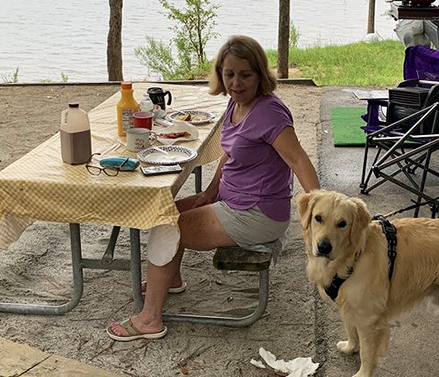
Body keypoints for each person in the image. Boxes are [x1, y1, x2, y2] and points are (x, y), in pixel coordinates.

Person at [107, 35, 320, 341]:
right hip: (237, 202)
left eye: (245, 74)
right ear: (220, 73)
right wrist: (208, 193)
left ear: (260, 74)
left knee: (167, 226)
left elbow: (298, 159)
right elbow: (230, 156)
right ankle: (172, 278)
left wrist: (320, 210)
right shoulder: (236, 104)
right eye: (229, 74)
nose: (236, 82)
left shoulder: (268, 113)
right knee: (167, 210)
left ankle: (149, 319)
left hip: (257, 213)